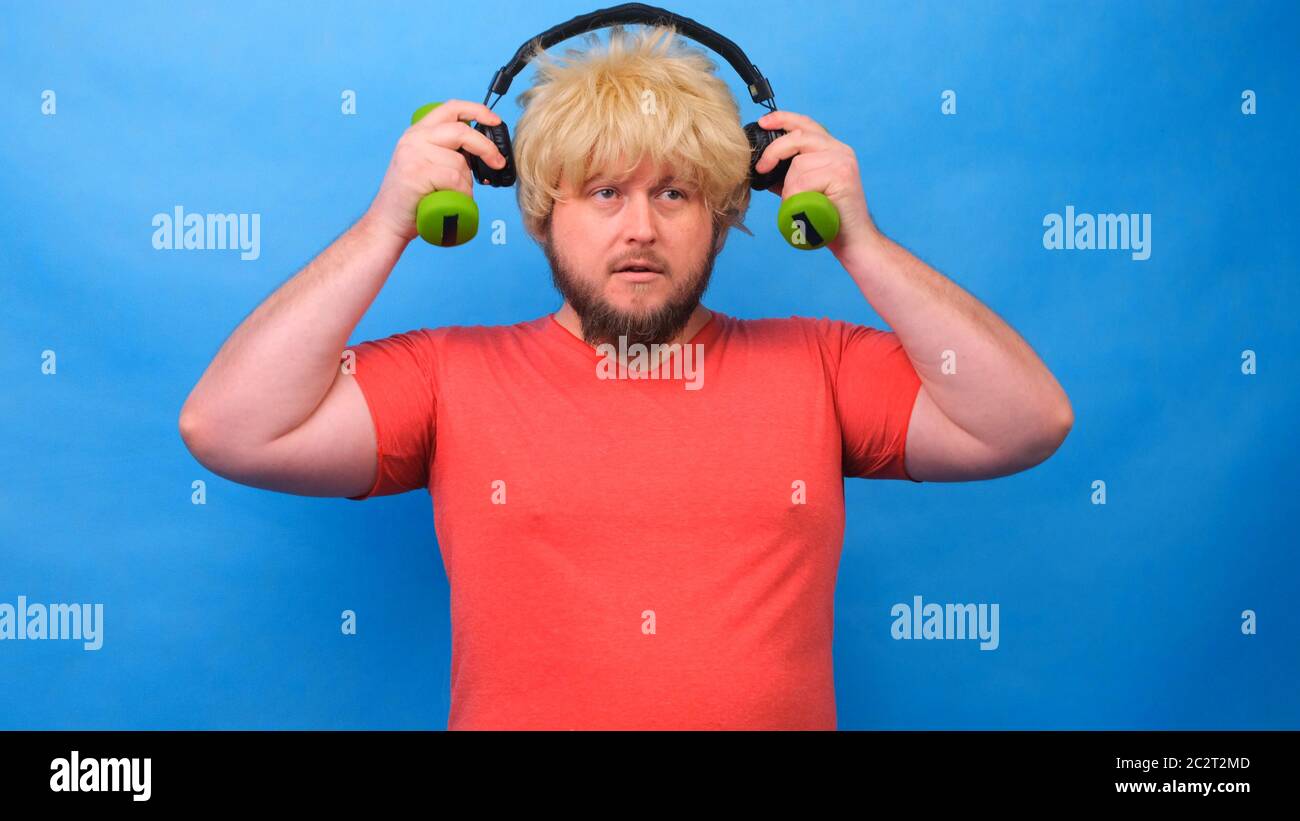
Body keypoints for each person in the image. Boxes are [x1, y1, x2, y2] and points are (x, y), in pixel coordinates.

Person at [178, 25, 1073, 730]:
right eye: (604, 192)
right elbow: (227, 427)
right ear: (543, 213)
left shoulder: (821, 365)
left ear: (724, 213)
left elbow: (1027, 421)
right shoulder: (450, 376)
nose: (639, 227)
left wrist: (859, 242)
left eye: (673, 193)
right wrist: (385, 225)